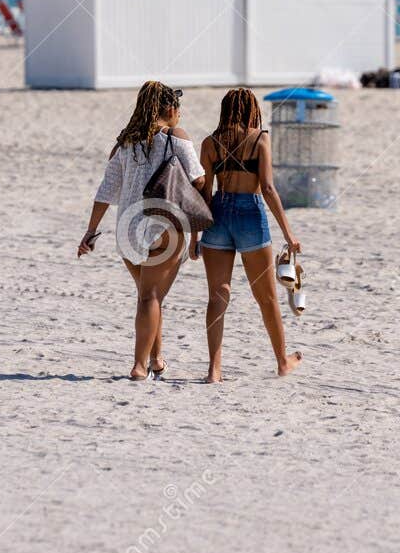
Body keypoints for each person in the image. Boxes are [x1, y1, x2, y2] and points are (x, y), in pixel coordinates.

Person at [79, 80, 205, 380]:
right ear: (170, 108)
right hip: (164, 227)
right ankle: (138, 366)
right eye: (178, 109)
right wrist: (199, 231)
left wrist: (90, 231)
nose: (180, 115)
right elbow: (199, 180)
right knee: (150, 297)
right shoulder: (176, 137)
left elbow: (106, 190)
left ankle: (156, 360)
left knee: (148, 296)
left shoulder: (124, 143)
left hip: (128, 230)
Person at [193, 88, 303, 383]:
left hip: (217, 212)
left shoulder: (210, 143)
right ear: (251, 110)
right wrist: (288, 233)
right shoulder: (260, 139)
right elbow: (267, 188)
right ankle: (282, 362)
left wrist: (195, 237)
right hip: (250, 214)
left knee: (217, 295)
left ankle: (214, 369)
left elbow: (204, 193)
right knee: (266, 297)